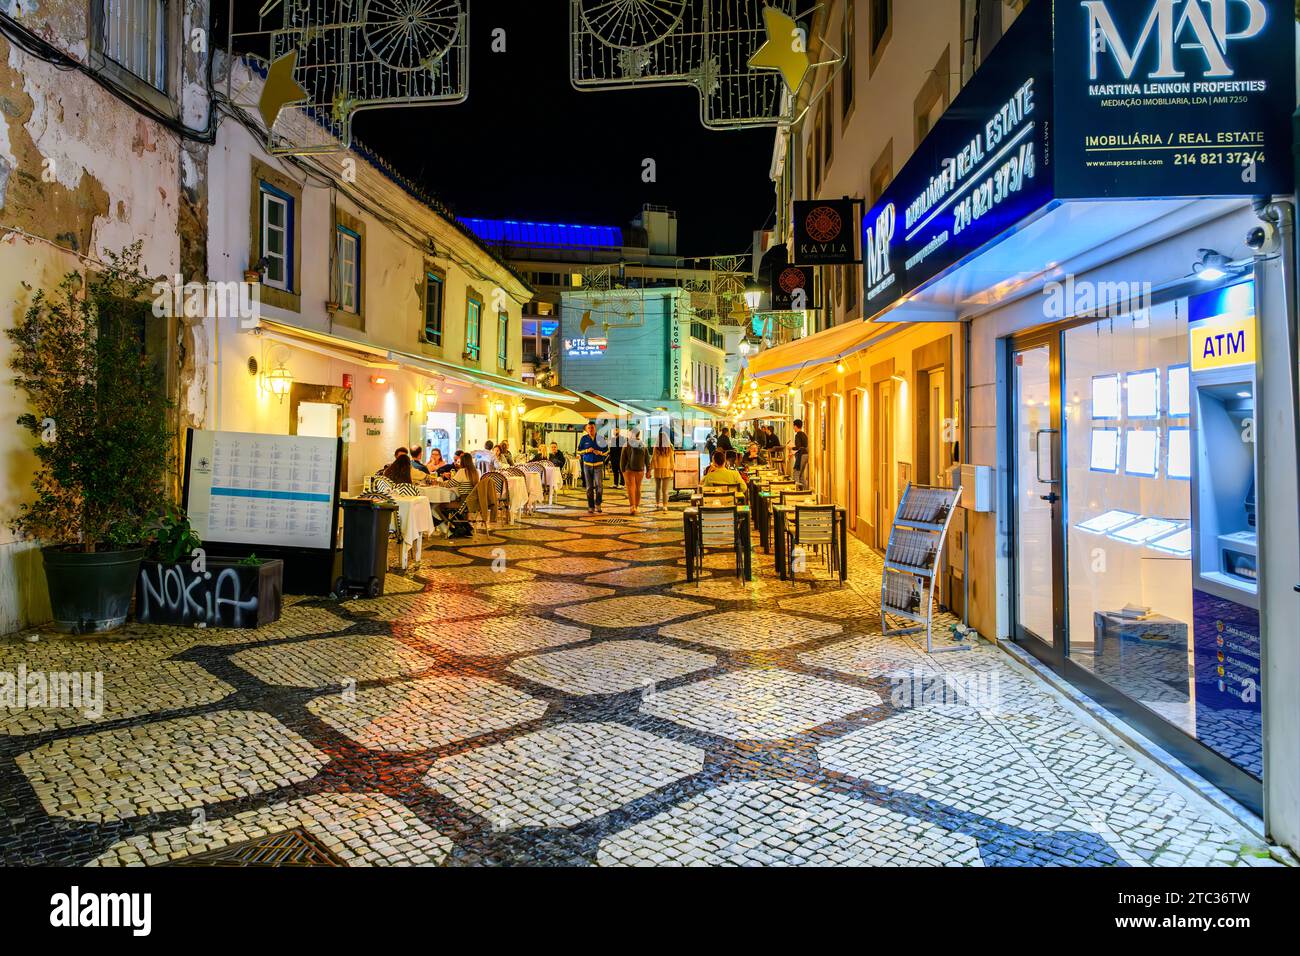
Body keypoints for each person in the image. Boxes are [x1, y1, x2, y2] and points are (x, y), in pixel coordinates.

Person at [577, 421, 609, 514]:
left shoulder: (601, 438)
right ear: (587, 429)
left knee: (599, 486)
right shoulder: (584, 438)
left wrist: (601, 453)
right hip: (587, 465)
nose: (591, 429)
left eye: (592, 428)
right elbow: (578, 451)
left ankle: (598, 504)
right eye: (589, 428)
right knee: (589, 487)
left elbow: (607, 451)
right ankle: (591, 506)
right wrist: (587, 450)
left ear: (595, 428)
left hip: (598, 465)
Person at [621, 428, 649, 515]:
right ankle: (636, 507)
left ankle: (632, 507)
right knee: (638, 488)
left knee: (631, 488)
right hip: (640, 470)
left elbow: (623, 459)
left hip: (629, 469)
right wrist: (648, 470)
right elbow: (647, 458)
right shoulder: (643, 444)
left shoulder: (626, 444)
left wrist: (622, 470)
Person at [651, 428, 674, 512]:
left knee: (657, 488)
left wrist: (651, 468)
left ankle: (657, 503)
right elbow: (672, 459)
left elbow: (653, 458)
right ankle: (665, 506)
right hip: (667, 469)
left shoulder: (656, 447)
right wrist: (673, 469)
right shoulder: (670, 447)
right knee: (665, 490)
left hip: (658, 469)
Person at [792, 418, 809, 488]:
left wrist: (792, 448)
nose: (793, 428)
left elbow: (798, 446)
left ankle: (796, 491)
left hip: (801, 455)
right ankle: (805, 491)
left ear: (796, 426)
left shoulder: (798, 435)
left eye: (793, 426)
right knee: (801, 474)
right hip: (806, 455)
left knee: (796, 473)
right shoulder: (804, 434)